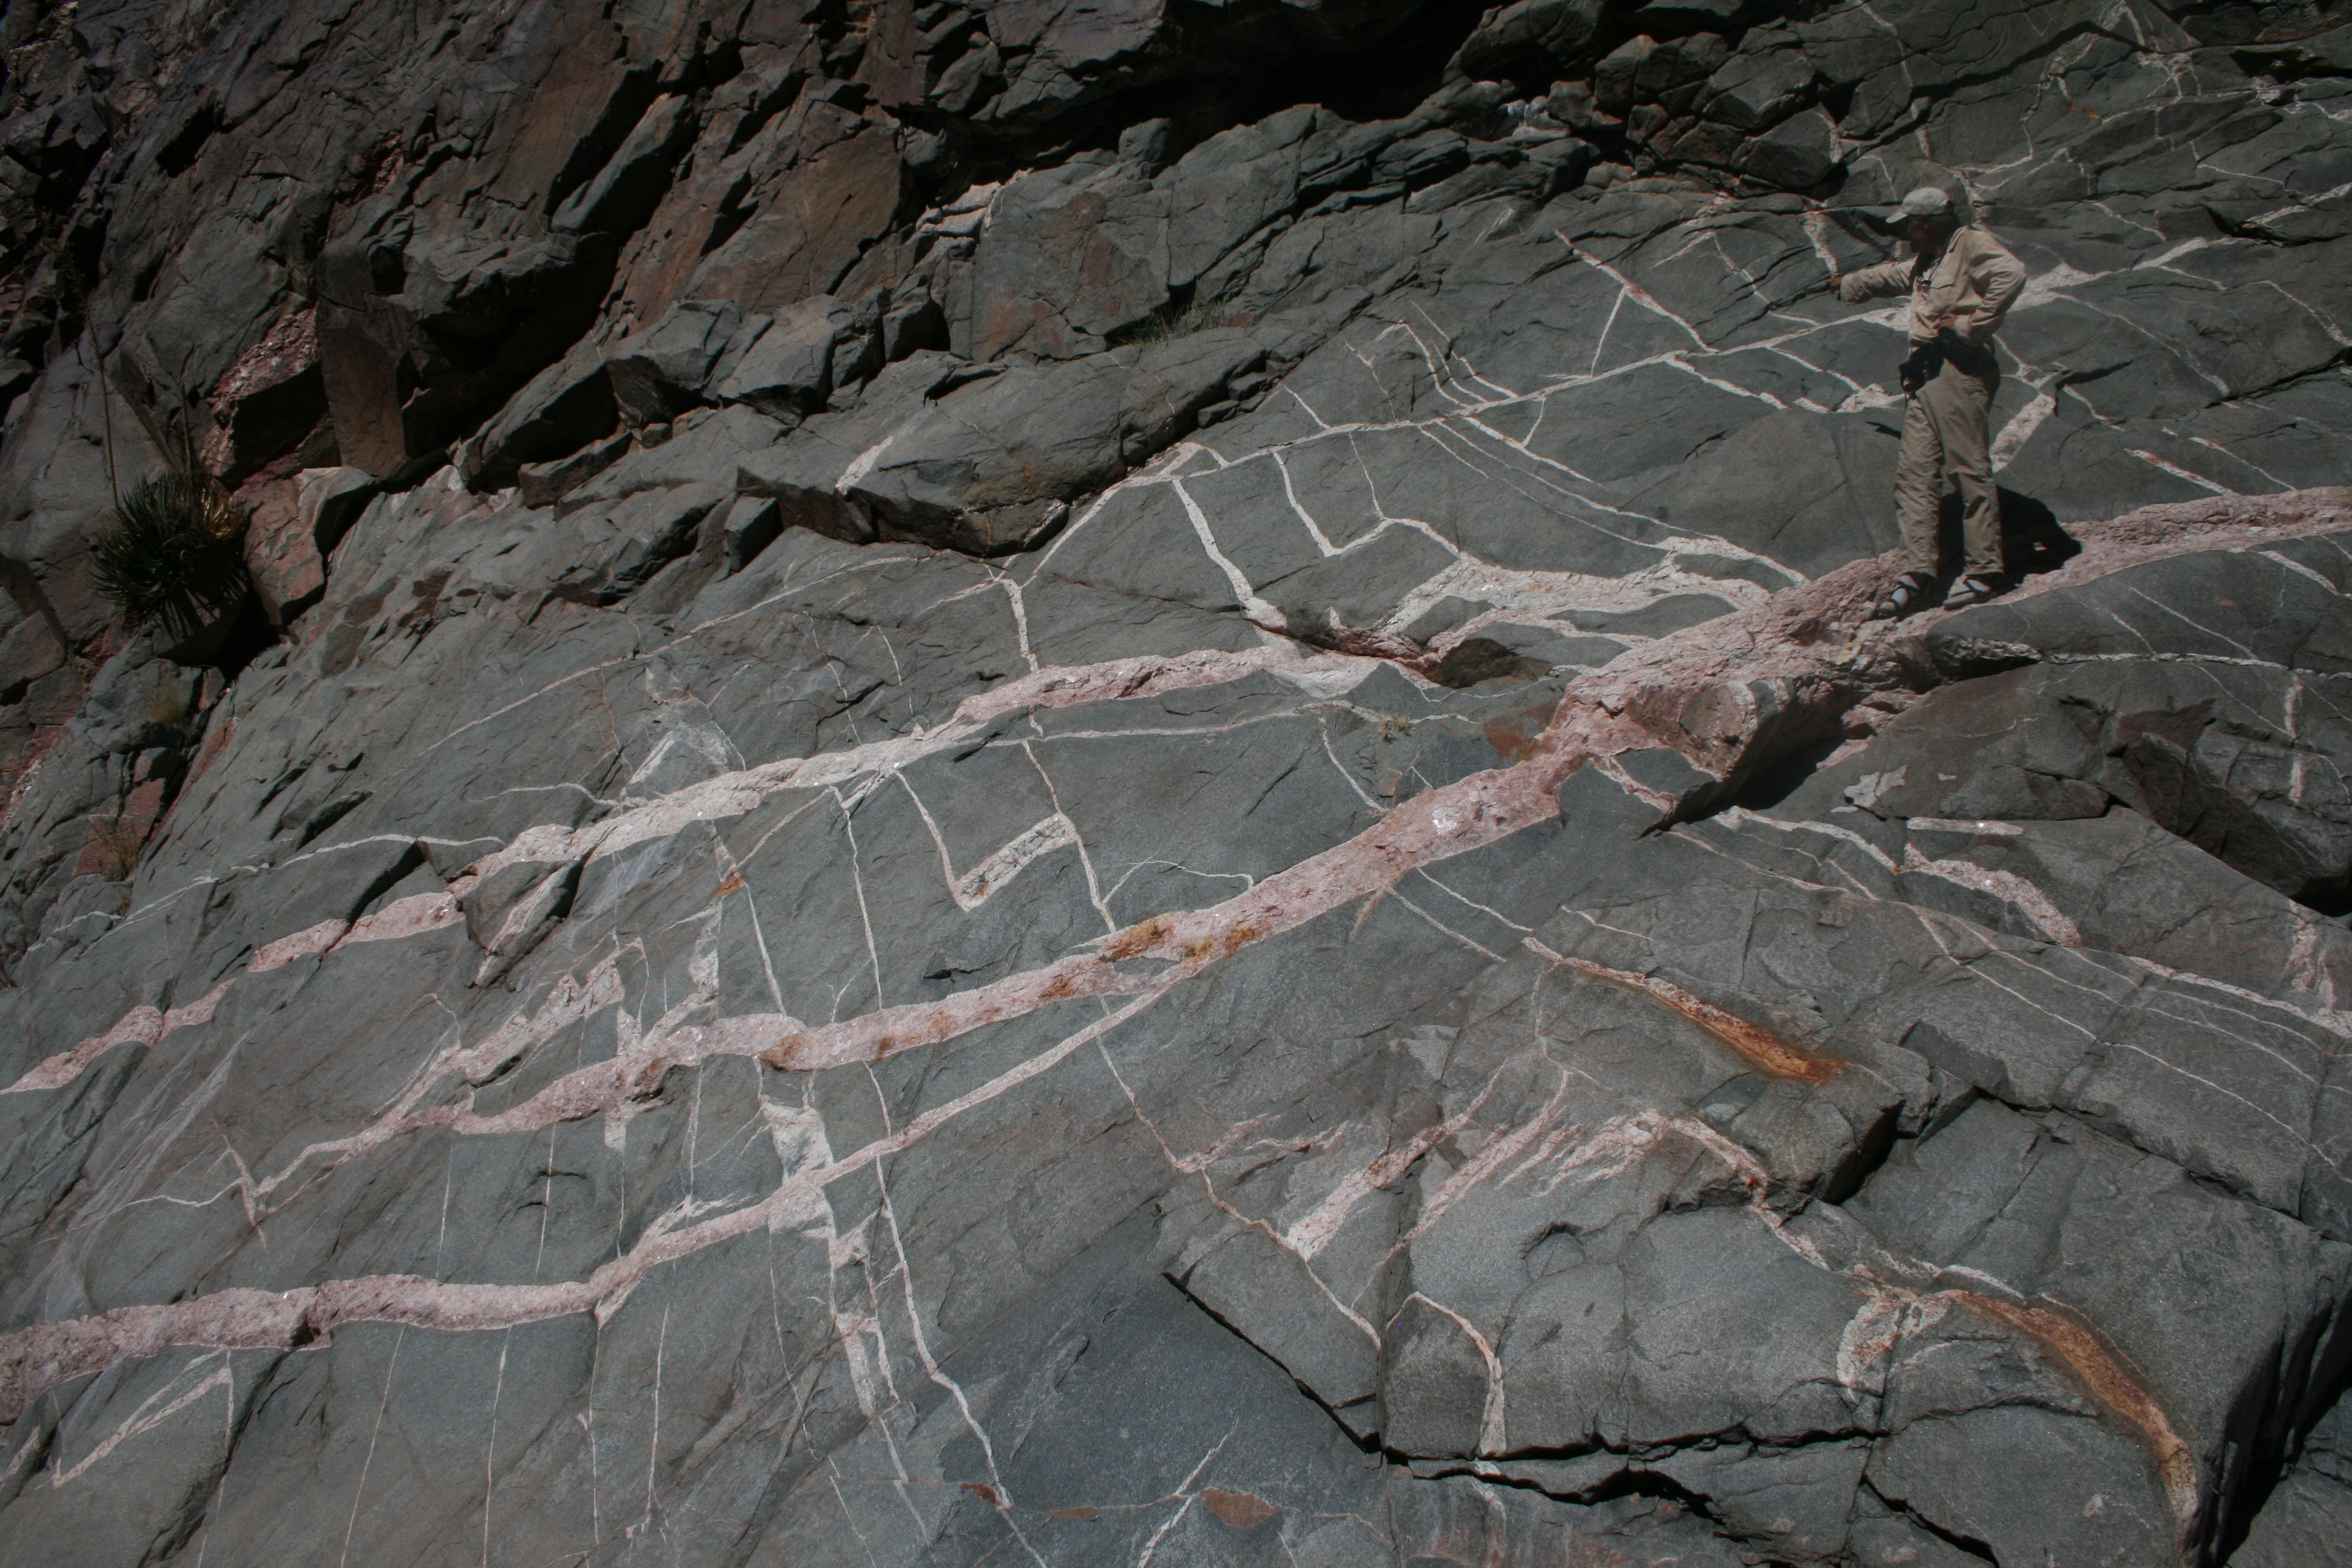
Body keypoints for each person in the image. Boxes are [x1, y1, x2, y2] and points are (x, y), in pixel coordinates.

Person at [1833, 186, 2028, 618]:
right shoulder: (1929, 258)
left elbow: (2011, 275)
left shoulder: (1970, 244)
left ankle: (1984, 571)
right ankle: (1917, 573)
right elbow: (1893, 275)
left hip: (1959, 371)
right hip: (1925, 373)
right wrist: (1847, 284)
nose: (1903, 232)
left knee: (1967, 469)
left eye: (1908, 225)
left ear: (1928, 222)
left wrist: (1972, 325)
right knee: (1915, 475)